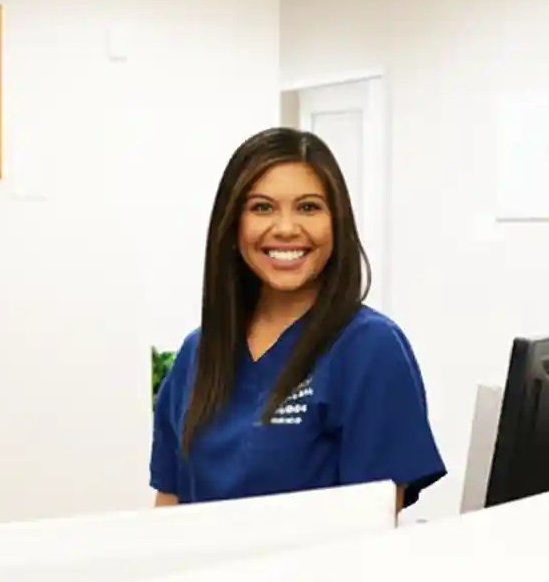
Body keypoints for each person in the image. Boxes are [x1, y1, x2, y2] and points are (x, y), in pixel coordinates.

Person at [149, 127, 446, 512]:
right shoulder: (198, 352)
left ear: (336, 223)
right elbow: (168, 503)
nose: (286, 228)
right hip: (202, 571)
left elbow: (373, 525)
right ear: (233, 224)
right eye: (262, 207)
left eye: (308, 207)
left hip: (318, 573)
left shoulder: (369, 349)